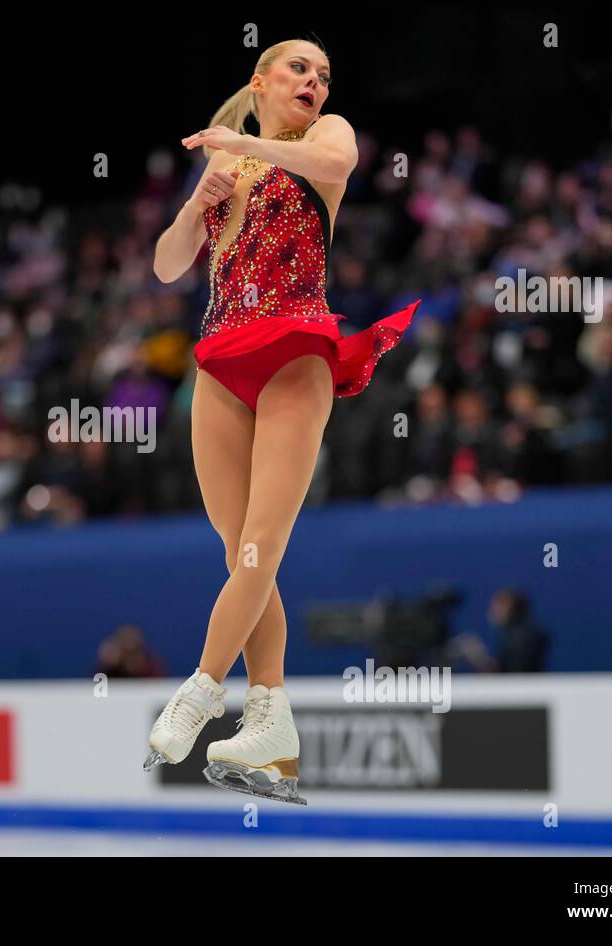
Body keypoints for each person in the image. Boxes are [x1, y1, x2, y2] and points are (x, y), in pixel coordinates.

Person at [148, 37, 421, 805]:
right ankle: (271, 711)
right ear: (261, 79)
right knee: (237, 551)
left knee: (262, 545)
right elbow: (170, 264)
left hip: (297, 351)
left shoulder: (328, 138)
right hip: (220, 364)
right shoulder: (227, 169)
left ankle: (203, 687)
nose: (316, 80)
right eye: (300, 68)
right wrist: (198, 202)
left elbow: (335, 170)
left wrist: (242, 142)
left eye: (326, 74)